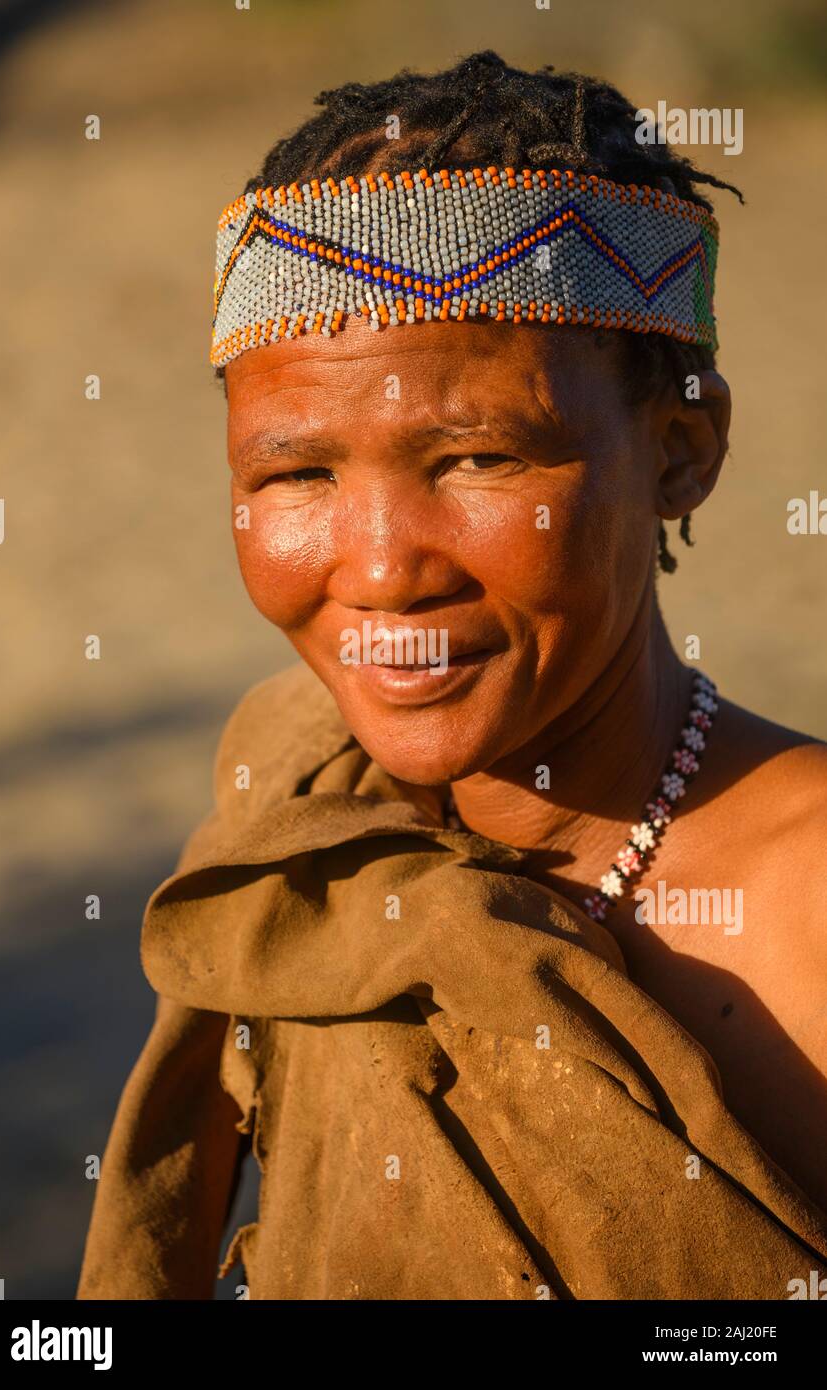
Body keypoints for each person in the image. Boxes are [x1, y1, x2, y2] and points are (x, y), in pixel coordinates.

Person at [77, 52, 827, 1301]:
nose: (380, 571)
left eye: (478, 457)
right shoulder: (302, 815)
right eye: (297, 476)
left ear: (680, 453)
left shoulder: (805, 906)